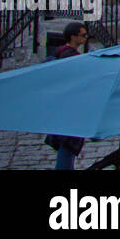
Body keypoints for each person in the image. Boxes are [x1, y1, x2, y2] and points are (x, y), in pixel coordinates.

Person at [44, 22, 89, 170]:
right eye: (83, 35)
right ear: (73, 37)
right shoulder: (71, 57)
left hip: (61, 108)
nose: (86, 37)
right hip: (69, 110)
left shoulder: (58, 53)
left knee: (66, 148)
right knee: (67, 147)